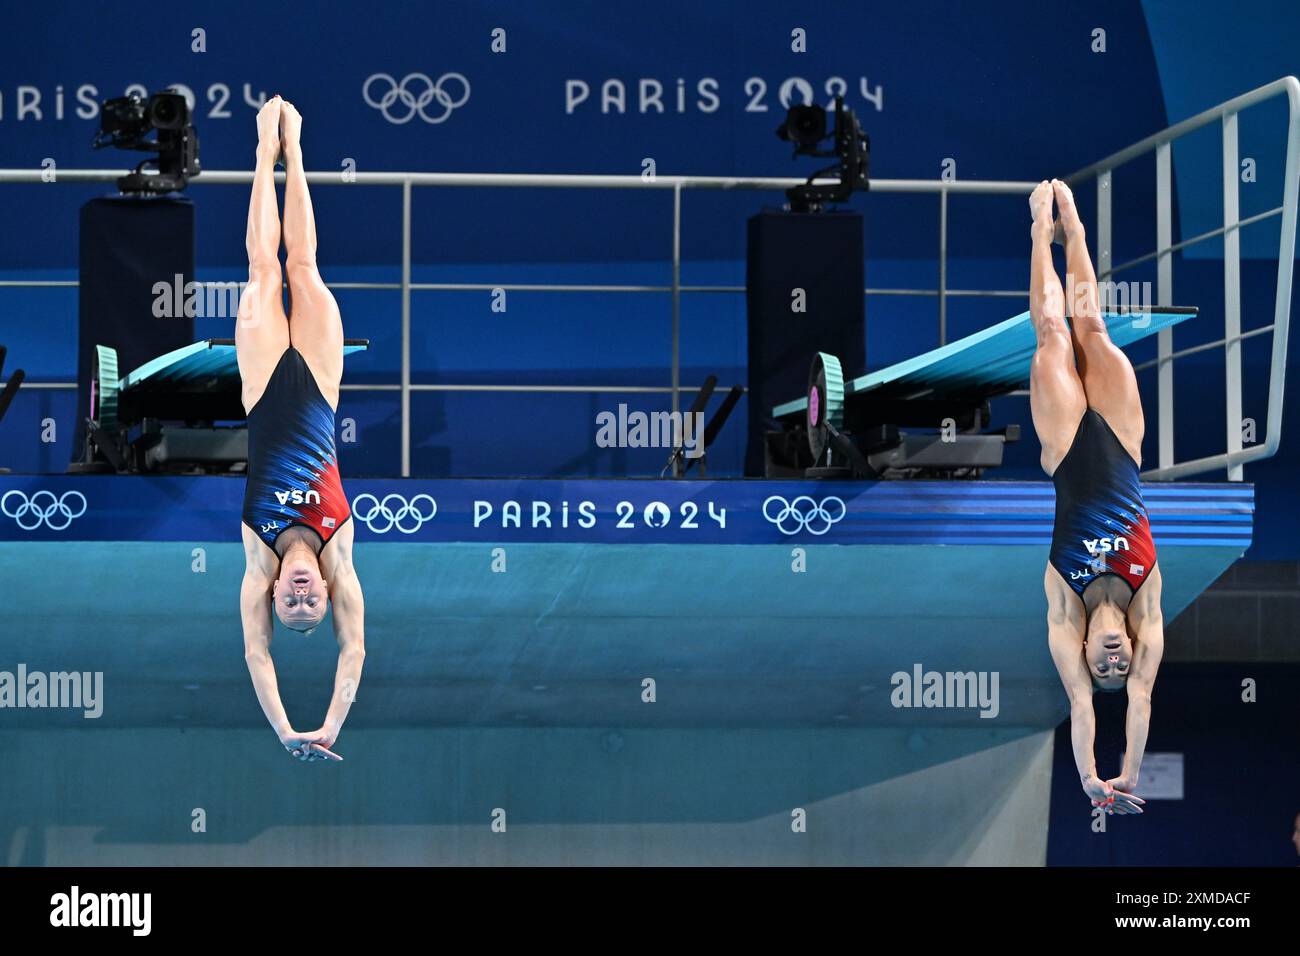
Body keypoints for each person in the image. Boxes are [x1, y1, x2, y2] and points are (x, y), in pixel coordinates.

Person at [1028, 179, 1163, 815]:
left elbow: (1082, 704)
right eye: (1120, 666)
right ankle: (1075, 231)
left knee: (1055, 334)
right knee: (1094, 327)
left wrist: (1089, 777)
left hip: (1062, 448)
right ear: (1131, 652)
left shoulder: (1062, 607)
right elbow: (1139, 698)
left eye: (1100, 668)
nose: (1112, 665)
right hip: (1122, 439)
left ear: (1084, 654)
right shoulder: (1147, 604)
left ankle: (1037, 231)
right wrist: (1129, 773)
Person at [237, 96, 365, 763]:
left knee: (263, 270)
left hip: (261, 391)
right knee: (305, 268)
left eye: (292, 606)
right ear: (323, 590)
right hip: (318, 383)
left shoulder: (258, 557)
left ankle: (264, 151)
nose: (301, 596)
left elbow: (257, 653)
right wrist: (331, 723)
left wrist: (287, 728)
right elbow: (355, 649)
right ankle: (301, 153)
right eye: (311, 601)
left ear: (276, 595)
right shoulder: (339, 550)